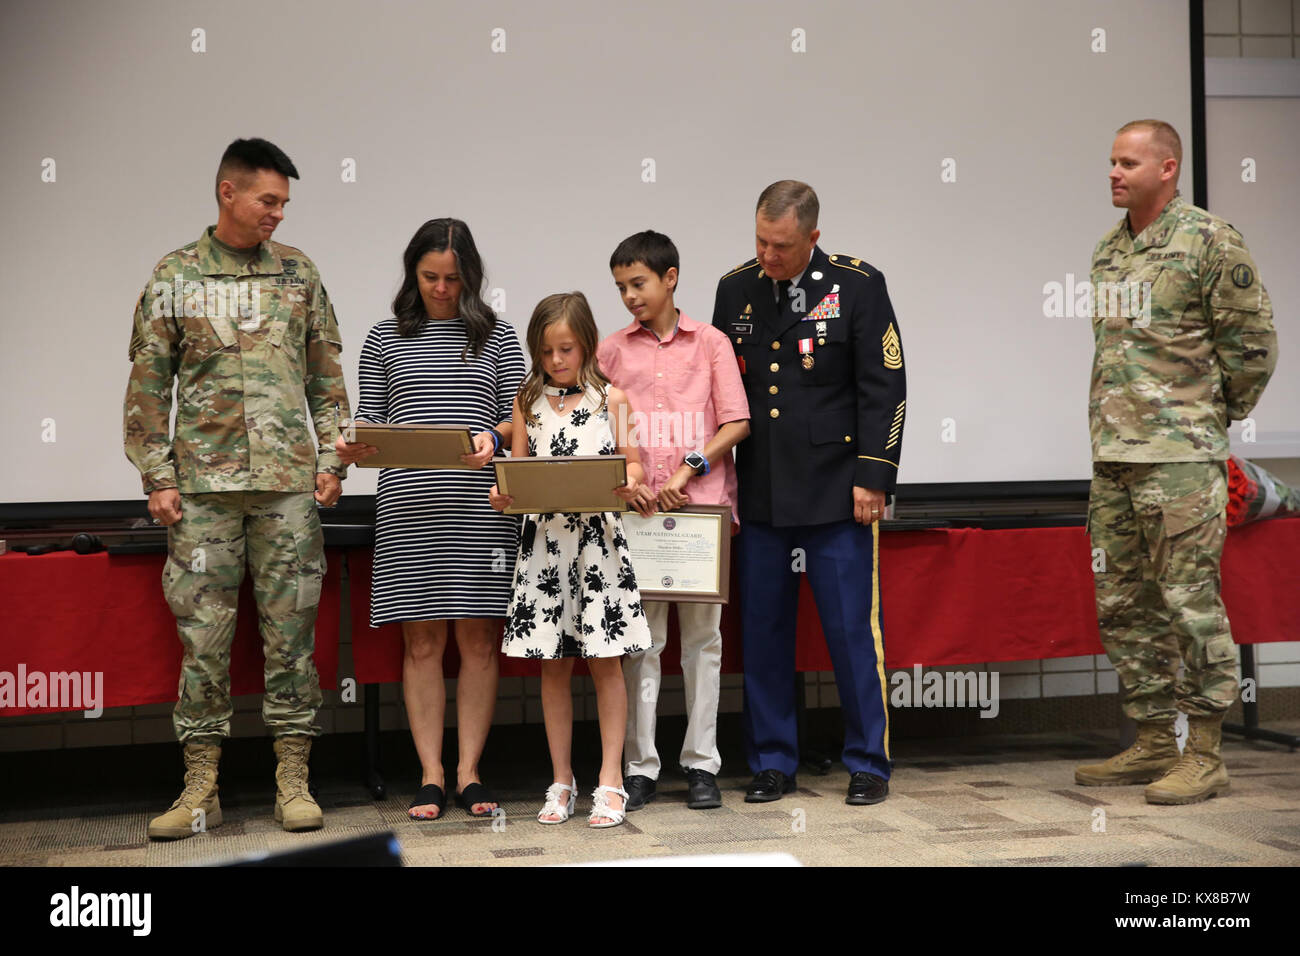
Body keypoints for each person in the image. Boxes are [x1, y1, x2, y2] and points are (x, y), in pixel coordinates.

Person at [124, 137, 350, 838]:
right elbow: (148, 384)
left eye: (284, 203)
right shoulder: (175, 275)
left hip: (286, 489)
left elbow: (325, 376)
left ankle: (292, 779)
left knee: (291, 637)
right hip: (202, 492)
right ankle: (200, 789)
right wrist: (156, 476)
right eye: (268, 200)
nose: (278, 214)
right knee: (204, 638)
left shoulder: (299, 274)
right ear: (229, 193)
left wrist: (334, 460)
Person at [1075, 120, 1277, 804]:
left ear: (1167, 168)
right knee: (1124, 603)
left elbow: (1253, 344)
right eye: (1110, 162)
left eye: (1128, 162)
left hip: (1182, 461)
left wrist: (1207, 419)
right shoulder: (1108, 250)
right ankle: (1156, 740)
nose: (1113, 172)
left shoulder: (1209, 241)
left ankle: (1208, 752)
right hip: (1115, 458)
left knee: (1190, 603)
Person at [711, 180, 905, 806]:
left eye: (783, 245)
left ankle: (868, 760)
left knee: (852, 633)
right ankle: (772, 761)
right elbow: (720, 393)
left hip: (837, 492)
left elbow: (885, 386)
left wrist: (874, 476)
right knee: (763, 632)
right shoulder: (734, 288)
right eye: (761, 241)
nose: (769, 255)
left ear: (814, 238)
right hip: (763, 492)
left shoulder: (858, 285)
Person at [336, 219, 525, 820]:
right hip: (409, 508)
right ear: (411, 273)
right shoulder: (383, 336)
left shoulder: (498, 336)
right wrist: (352, 447)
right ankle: (430, 775)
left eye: (453, 278)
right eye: (429, 277)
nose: (442, 289)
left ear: (471, 277)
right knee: (420, 642)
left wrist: (493, 439)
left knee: (478, 640)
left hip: (480, 510)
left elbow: (520, 416)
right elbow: (370, 419)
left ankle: (469, 773)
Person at [596, 230, 750, 811]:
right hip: (639, 517)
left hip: (700, 512)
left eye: (638, 283)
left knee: (704, 643)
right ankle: (640, 767)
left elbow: (736, 422)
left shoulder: (710, 343)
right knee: (644, 642)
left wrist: (686, 470)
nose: (630, 296)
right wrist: (630, 479)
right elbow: (599, 428)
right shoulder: (611, 351)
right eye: (620, 287)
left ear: (670, 277)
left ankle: (702, 764)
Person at [489, 292, 652, 828]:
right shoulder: (526, 399)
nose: (557, 360)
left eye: (567, 349)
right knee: (553, 666)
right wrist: (504, 494)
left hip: (598, 544)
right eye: (547, 351)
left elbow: (634, 471)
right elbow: (515, 472)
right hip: (544, 545)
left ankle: (610, 779)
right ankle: (561, 779)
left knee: (606, 662)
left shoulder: (613, 399)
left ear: (586, 343)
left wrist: (626, 482)